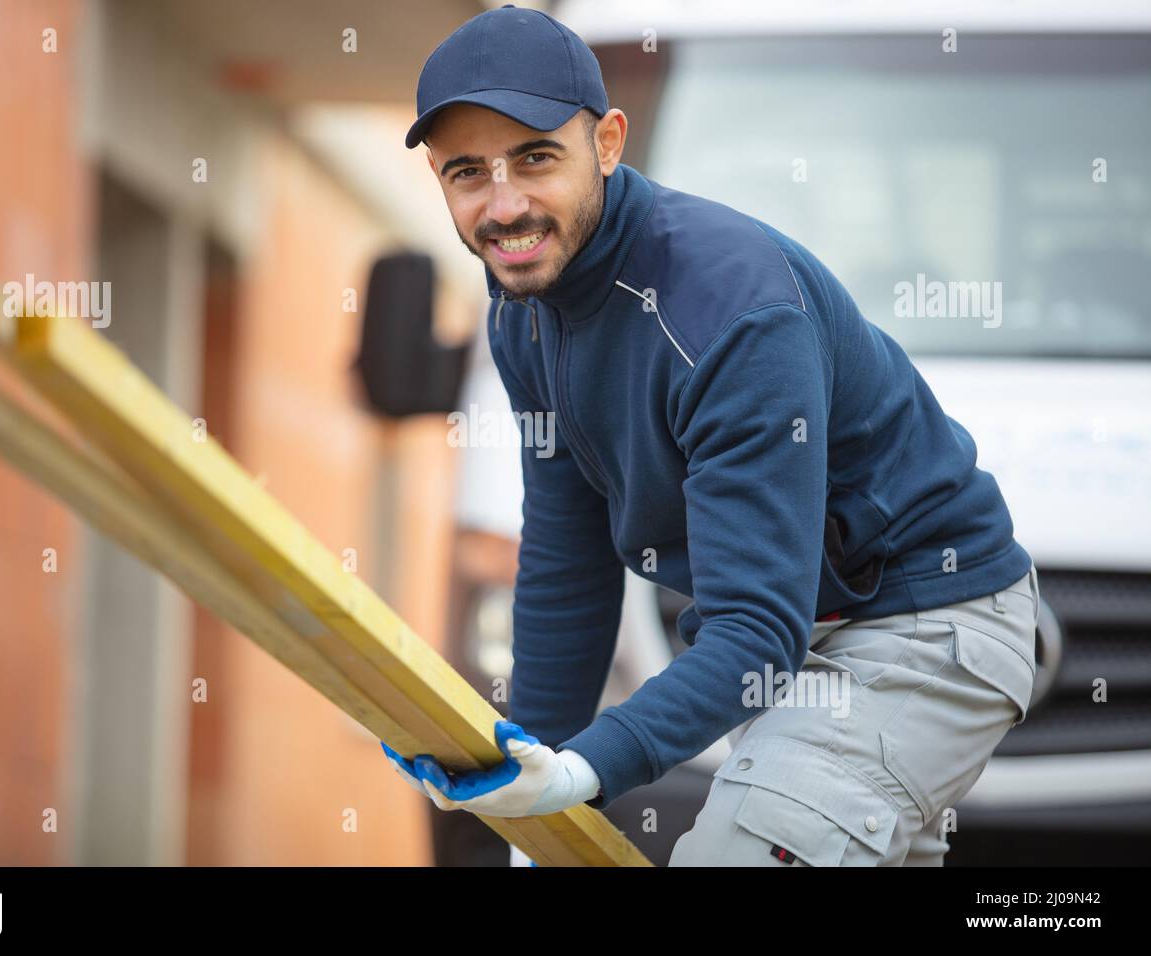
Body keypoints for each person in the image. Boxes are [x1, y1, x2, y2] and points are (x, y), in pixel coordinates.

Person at [382, 3, 1039, 867]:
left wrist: (585, 769)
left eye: (536, 158)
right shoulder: (521, 313)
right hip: (801, 650)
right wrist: (527, 803)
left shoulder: (730, 310)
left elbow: (754, 627)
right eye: (468, 173)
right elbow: (569, 555)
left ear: (608, 143)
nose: (504, 205)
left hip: (920, 628)